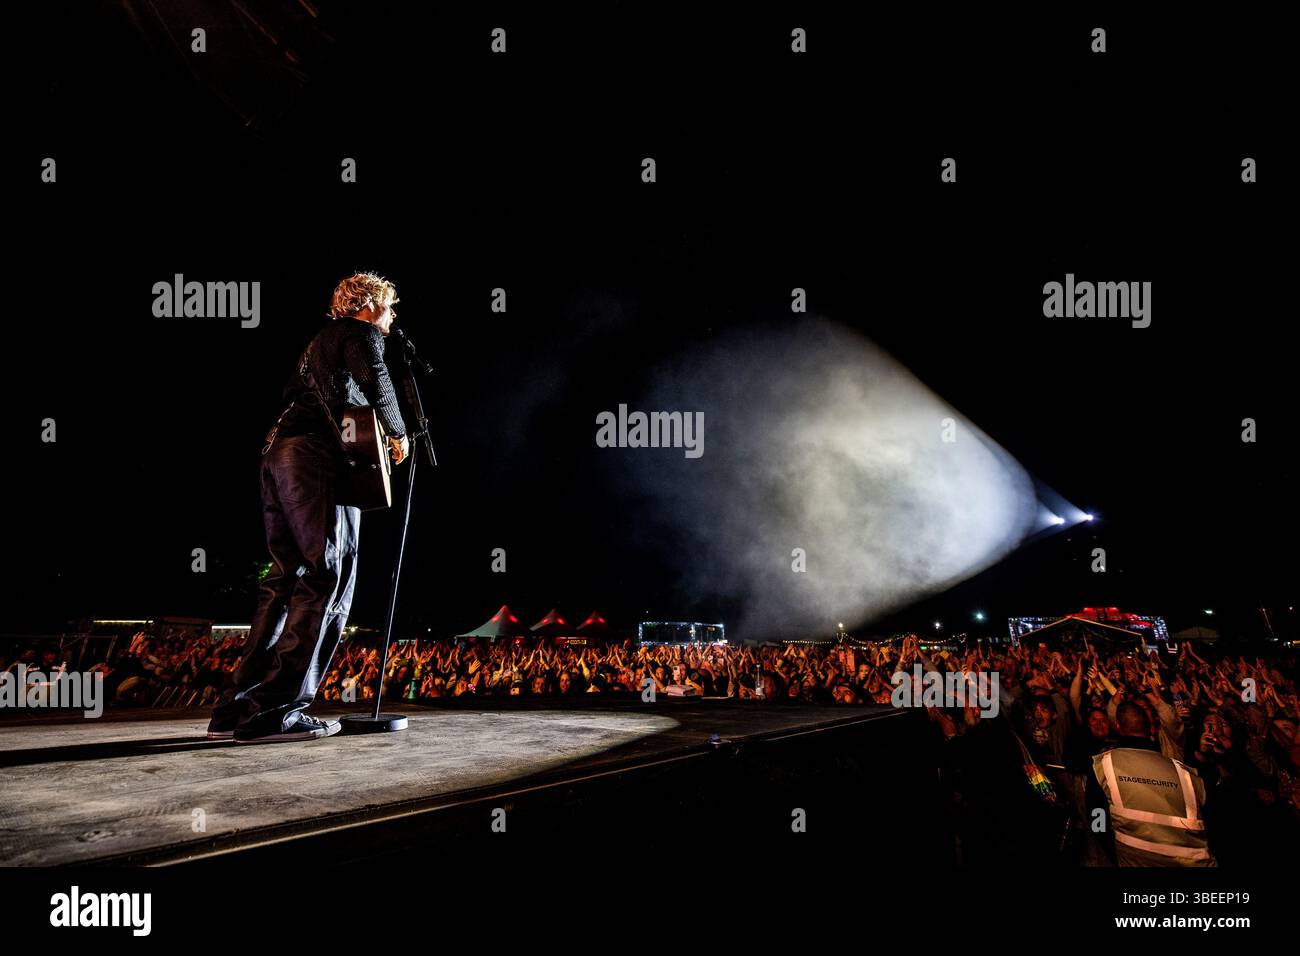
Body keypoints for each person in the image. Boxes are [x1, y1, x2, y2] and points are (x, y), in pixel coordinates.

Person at [207, 273, 410, 744]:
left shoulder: (316, 343)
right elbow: (376, 379)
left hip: (279, 456)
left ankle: (235, 710)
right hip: (318, 460)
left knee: (282, 581)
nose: (393, 316)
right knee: (328, 576)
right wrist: (397, 431)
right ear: (371, 303)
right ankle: (276, 713)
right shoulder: (358, 333)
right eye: (390, 306)